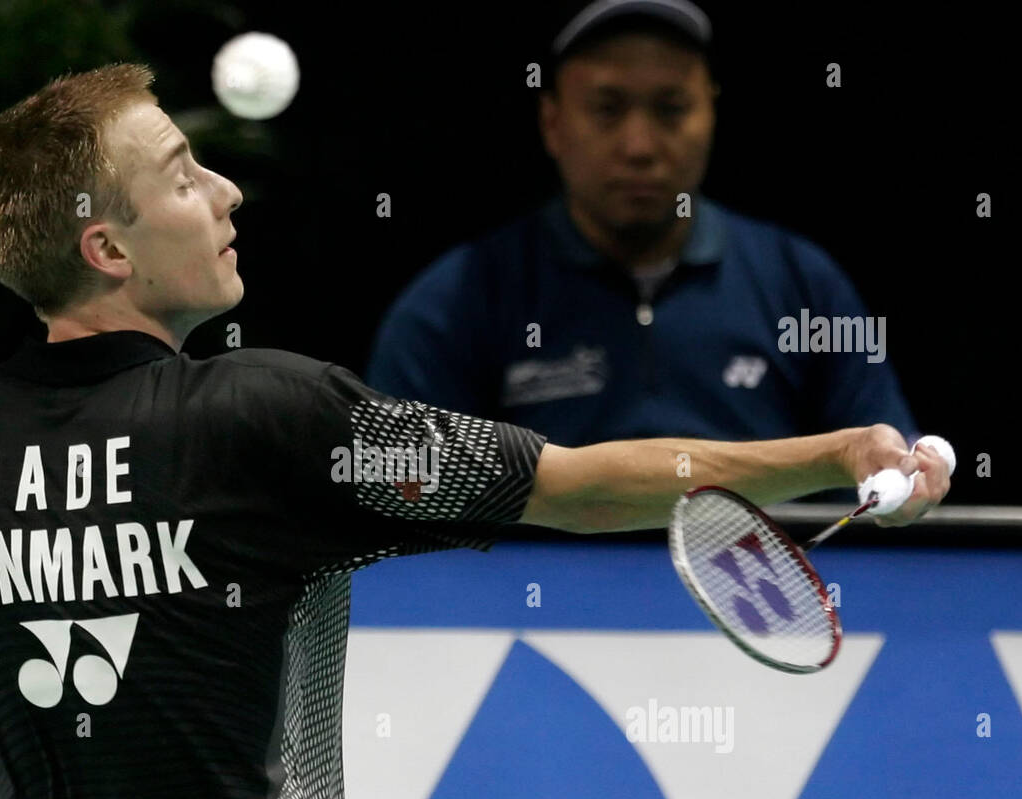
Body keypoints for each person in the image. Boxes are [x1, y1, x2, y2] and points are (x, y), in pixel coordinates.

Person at [0, 63, 949, 799]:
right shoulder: (265, 419)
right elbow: (573, 489)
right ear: (108, 246)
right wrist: (835, 450)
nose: (228, 189)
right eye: (187, 176)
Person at [366, 0, 919, 457]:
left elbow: (884, 464)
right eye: (607, 109)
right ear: (552, 123)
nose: (639, 147)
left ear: (712, 113)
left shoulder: (807, 285)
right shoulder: (458, 299)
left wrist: (907, 472)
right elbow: (396, 492)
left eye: (671, 108)